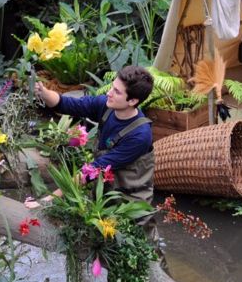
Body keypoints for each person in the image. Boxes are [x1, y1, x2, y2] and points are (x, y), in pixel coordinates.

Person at [26, 65, 155, 208]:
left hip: (131, 204)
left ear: (132, 101)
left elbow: (93, 169)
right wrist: (43, 92)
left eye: (117, 92)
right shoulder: (106, 106)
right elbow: (66, 104)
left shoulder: (139, 136)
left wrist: (48, 200)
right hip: (105, 193)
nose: (109, 93)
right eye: (112, 87)